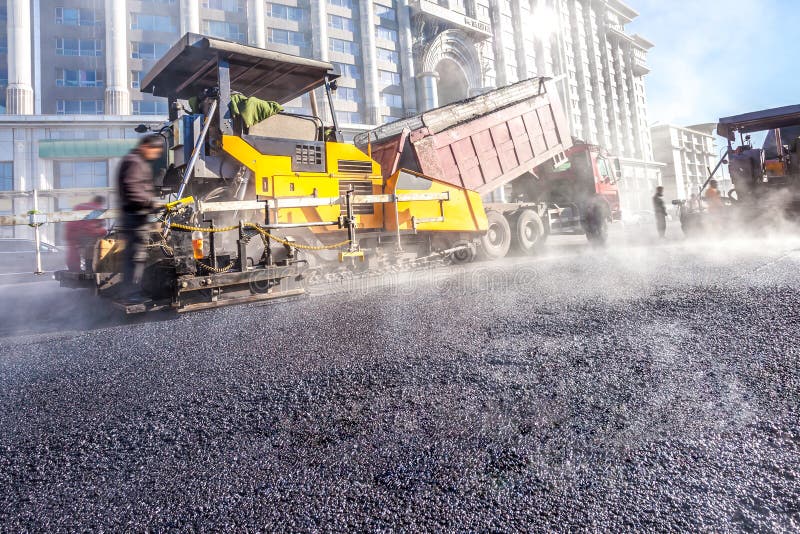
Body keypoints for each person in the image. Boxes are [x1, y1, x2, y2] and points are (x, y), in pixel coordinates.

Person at [117, 134, 164, 302]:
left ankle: (132, 292)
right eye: (155, 151)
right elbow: (132, 190)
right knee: (136, 257)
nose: (156, 155)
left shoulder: (134, 161)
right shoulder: (135, 162)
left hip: (135, 216)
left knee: (136, 256)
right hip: (135, 217)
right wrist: (152, 203)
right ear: (145, 146)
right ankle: (131, 295)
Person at [64, 195, 106, 272]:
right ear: (101, 202)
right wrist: (103, 231)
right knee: (90, 250)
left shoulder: (79, 206)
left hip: (70, 231)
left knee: (73, 252)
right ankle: (89, 270)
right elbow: (90, 225)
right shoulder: (98, 209)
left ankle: (74, 270)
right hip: (85, 232)